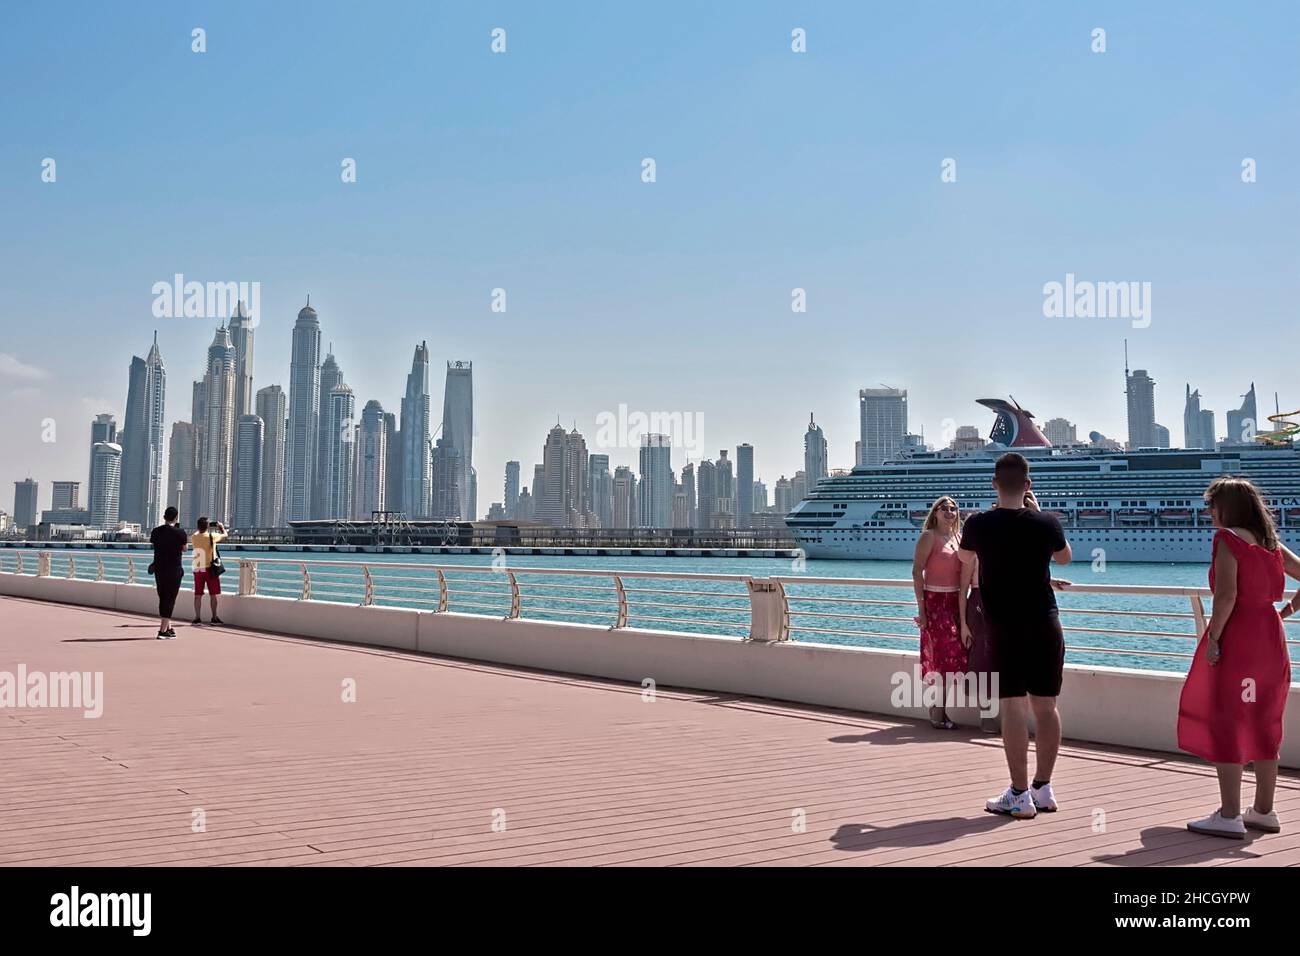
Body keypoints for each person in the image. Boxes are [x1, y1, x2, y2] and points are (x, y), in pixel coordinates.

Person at [1177, 477, 1300, 838]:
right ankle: (1264, 810)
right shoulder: (1272, 544)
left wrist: (1213, 639)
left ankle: (1229, 814)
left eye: (1211, 505)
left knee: (1227, 718)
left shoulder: (1227, 539)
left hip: (1239, 637)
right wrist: (1287, 611)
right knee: (1265, 720)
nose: (1208, 513)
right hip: (1269, 637)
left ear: (1225, 507)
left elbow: (1226, 596)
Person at [958, 452, 1072, 819]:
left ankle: (1019, 794)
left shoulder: (978, 523)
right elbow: (1066, 558)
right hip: (1045, 620)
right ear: (1028, 485)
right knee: (1046, 705)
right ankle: (1043, 788)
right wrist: (1036, 512)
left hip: (1004, 624)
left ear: (994, 484)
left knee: (1012, 706)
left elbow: (964, 560)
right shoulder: (1047, 522)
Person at [912, 496, 968, 729]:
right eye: (943, 508)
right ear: (934, 513)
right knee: (943, 660)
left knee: (955, 659)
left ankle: (939, 708)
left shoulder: (959, 539)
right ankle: (939, 710)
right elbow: (917, 573)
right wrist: (922, 610)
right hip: (936, 604)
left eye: (953, 508)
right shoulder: (929, 537)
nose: (949, 512)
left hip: (956, 603)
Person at [148, 506, 187, 639]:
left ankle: (168, 628)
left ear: (164, 517)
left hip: (159, 568)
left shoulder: (155, 532)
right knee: (170, 598)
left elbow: (156, 546)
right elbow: (185, 549)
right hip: (174, 569)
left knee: (163, 596)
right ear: (176, 518)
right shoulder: (180, 533)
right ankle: (162, 631)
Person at [190, 517, 228, 625]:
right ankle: (214, 617)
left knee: (198, 595)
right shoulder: (212, 536)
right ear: (207, 526)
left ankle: (197, 618)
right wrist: (221, 527)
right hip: (210, 569)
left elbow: (198, 533)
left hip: (198, 568)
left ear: (197, 526)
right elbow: (225, 535)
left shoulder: (194, 537)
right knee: (213, 594)